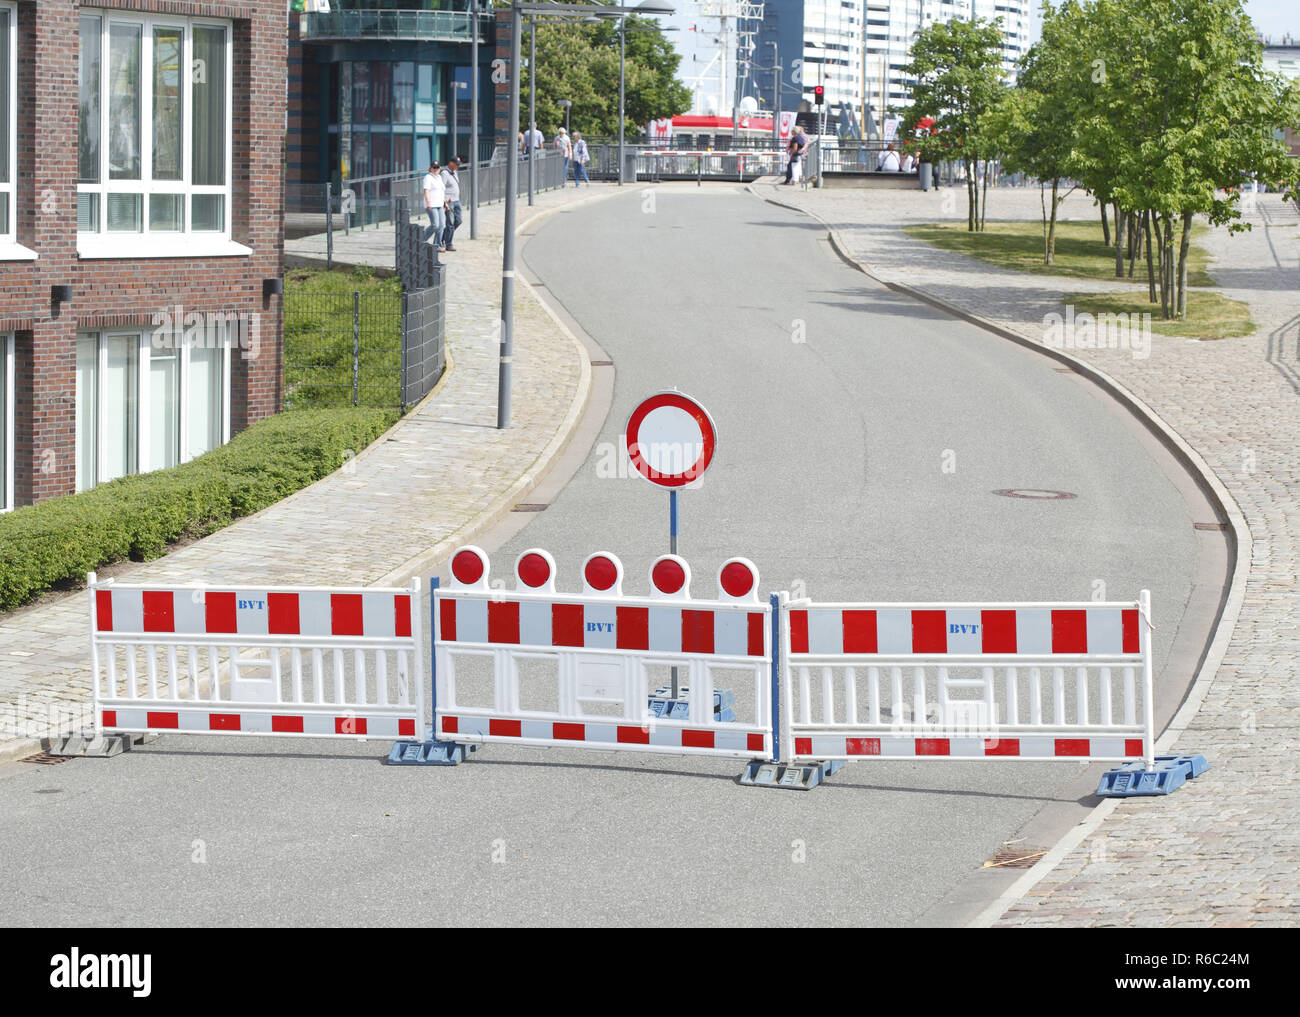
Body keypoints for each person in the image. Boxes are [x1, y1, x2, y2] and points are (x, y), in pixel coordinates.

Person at [422, 160, 446, 251]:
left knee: (442, 225)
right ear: (431, 168)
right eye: (434, 167)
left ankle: (438, 245)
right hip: (432, 204)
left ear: (439, 168)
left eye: (437, 167)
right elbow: (426, 191)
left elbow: (441, 191)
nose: (435, 169)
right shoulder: (428, 177)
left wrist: (445, 203)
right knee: (435, 225)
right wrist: (428, 202)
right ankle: (420, 240)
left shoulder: (439, 177)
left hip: (440, 204)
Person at [440, 157, 462, 252]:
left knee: (459, 220)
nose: (457, 166)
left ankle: (443, 237)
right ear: (450, 163)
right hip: (449, 201)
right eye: (456, 164)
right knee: (450, 223)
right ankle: (448, 244)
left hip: (457, 200)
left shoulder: (455, 172)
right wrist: (444, 202)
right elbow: (441, 188)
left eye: (458, 165)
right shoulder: (444, 173)